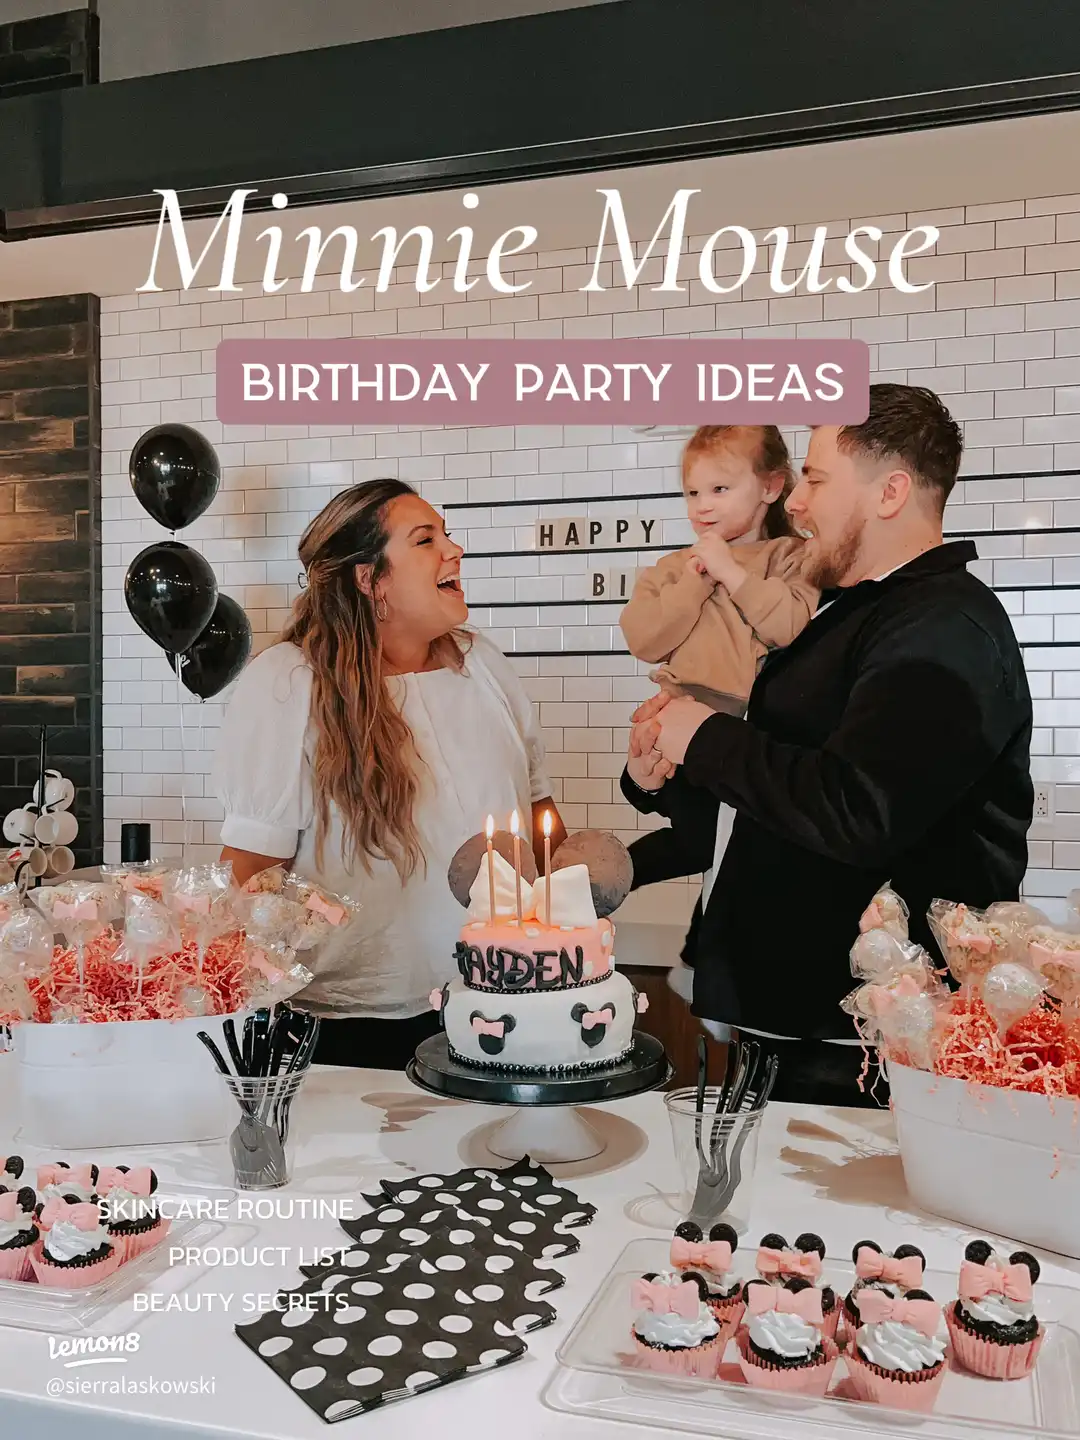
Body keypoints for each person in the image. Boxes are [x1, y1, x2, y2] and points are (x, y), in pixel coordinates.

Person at [622, 384, 1034, 1107]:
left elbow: (859, 809)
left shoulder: (941, 627)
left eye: (814, 479)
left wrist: (707, 737)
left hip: (868, 1044)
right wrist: (657, 776)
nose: (797, 502)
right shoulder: (861, 614)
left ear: (890, 493)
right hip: (797, 1023)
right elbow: (775, 796)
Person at [213, 478, 565, 1070]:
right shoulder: (288, 683)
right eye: (426, 540)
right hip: (348, 1026)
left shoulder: (482, 665)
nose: (454, 550)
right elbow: (250, 874)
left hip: (502, 999)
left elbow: (539, 816)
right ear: (369, 579)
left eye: (445, 535)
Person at [620, 425, 817, 717]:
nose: (702, 506)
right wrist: (693, 585)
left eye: (719, 489)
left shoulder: (792, 556)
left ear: (770, 487)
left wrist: (730, 572)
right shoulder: (672, 568)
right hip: (677, 707)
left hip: (763, 721)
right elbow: (642, 641)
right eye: (693, 493)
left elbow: (791, 628)